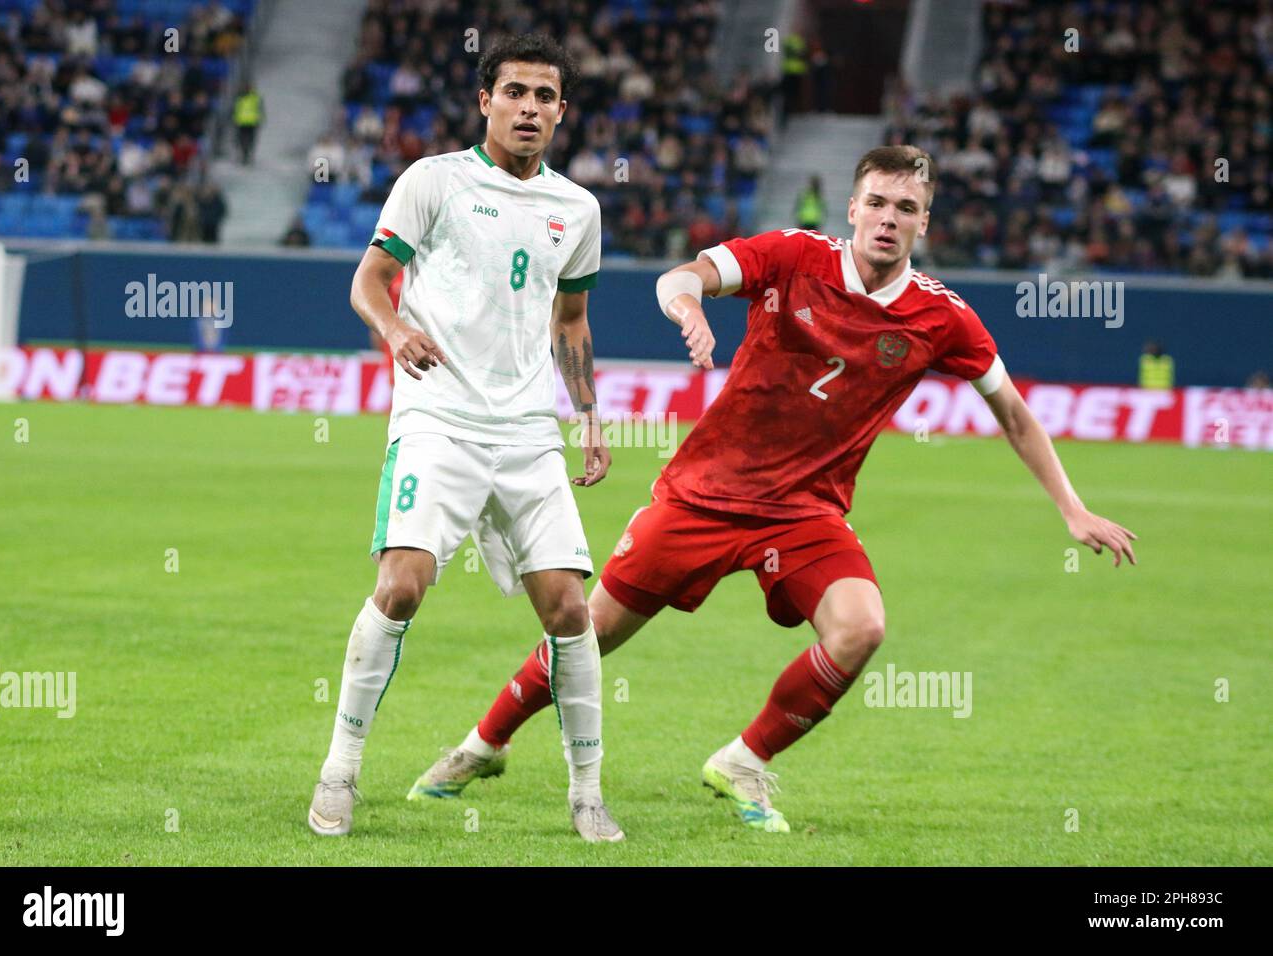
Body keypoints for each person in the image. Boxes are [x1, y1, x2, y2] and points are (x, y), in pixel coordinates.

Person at [410, 145, 1138, 833]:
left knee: (862, 628)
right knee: (587, 633)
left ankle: (744, 762)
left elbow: (1012, 412)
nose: (889, 218)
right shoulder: (794, 256)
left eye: (906, 208)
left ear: (924, 221)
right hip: (706, 494)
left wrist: (1072, 509)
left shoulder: (940, 316)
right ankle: (484, 743)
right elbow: (683, 274)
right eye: (877, 203)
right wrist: (688, 305)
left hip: (806, 514)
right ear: (851, 209)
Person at [308, 34, 624, 843]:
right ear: (485, 102)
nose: (529, 108)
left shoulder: (577, 209)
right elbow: (368, 281)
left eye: (544, 96)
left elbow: (573, 321)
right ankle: (340, 771)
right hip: (437, 419)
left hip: (525, 433)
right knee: (403, 585)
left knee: (568, 610)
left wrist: (587, 413)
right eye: (514, 92)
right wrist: (395, 330)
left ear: (562, 111)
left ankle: (587, 793)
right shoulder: (434, 181)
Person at [232, 84, 263, 165]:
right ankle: (244, 155)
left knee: (250, 140)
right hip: (242, 122)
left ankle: (247, 155)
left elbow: (260, 110)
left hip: (251, 122)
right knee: (243, 140)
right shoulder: (241, 98)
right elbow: (235, 109)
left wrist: (260, 119)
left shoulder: (254, 98)